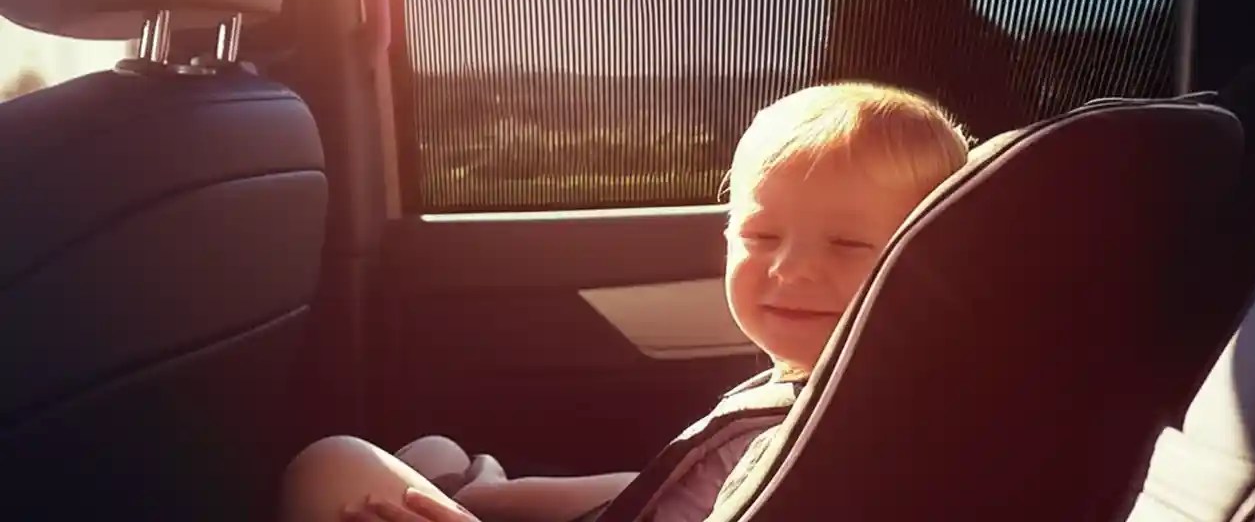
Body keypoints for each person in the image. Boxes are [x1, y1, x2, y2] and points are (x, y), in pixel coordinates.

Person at [279, 82, 970, 522]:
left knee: (330, 466)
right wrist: (494, 500)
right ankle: (478, 484)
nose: (789, 268)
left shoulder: (847, 453)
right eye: (760, 235)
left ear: (929, 264)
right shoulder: (817, 388)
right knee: (431, 452)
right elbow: (672, 480)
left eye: (848, 245)